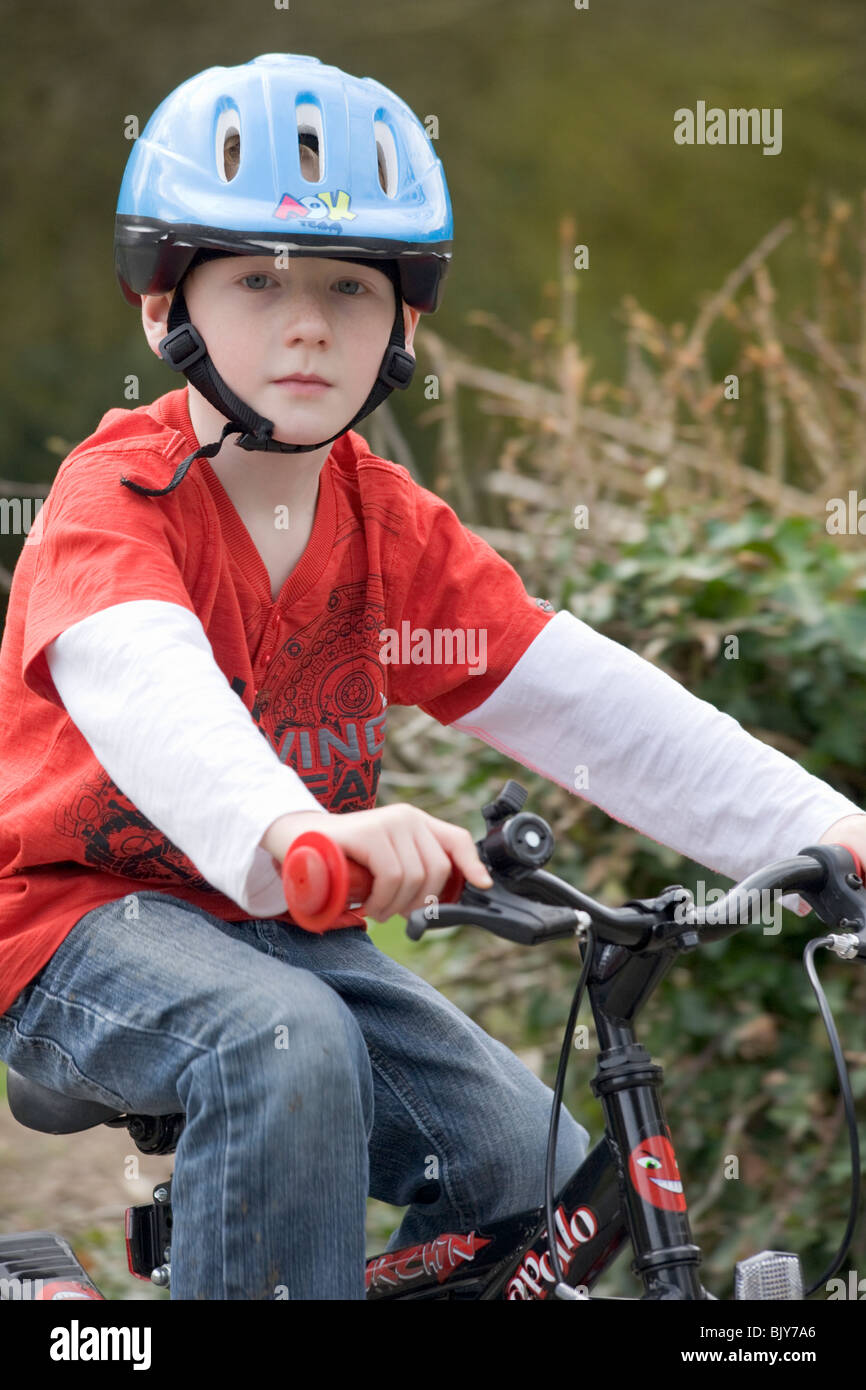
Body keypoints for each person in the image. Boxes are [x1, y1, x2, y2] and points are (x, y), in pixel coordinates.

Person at [0, 52, 863, 1301]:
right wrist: (298, 827)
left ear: (404, 322)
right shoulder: (114, 502)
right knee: (283, 1044)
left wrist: (827, 832)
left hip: (283, 928)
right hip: (77, 932)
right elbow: (153, 691)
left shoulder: (390, 529)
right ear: (161, 307)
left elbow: (592, 707)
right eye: (255, 281)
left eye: (349, 289)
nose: (306, 324)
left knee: (537, 1172)